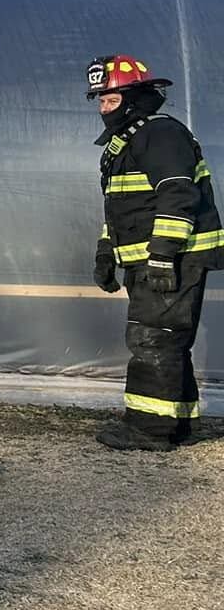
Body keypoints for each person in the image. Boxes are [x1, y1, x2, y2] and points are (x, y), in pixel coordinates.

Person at [87, 54, 223, 448]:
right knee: (166, 338)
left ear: (135, 98)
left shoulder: (159, 134)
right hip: (152, 259)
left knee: (153, 338)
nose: (104, 108)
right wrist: (106, 254)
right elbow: (124, 208)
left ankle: (148, 429)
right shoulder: (129, 140)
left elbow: (178, 194)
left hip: (173, 258)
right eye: (100, 100)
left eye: (112, 100)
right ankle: (175, 423)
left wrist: (162, 255)